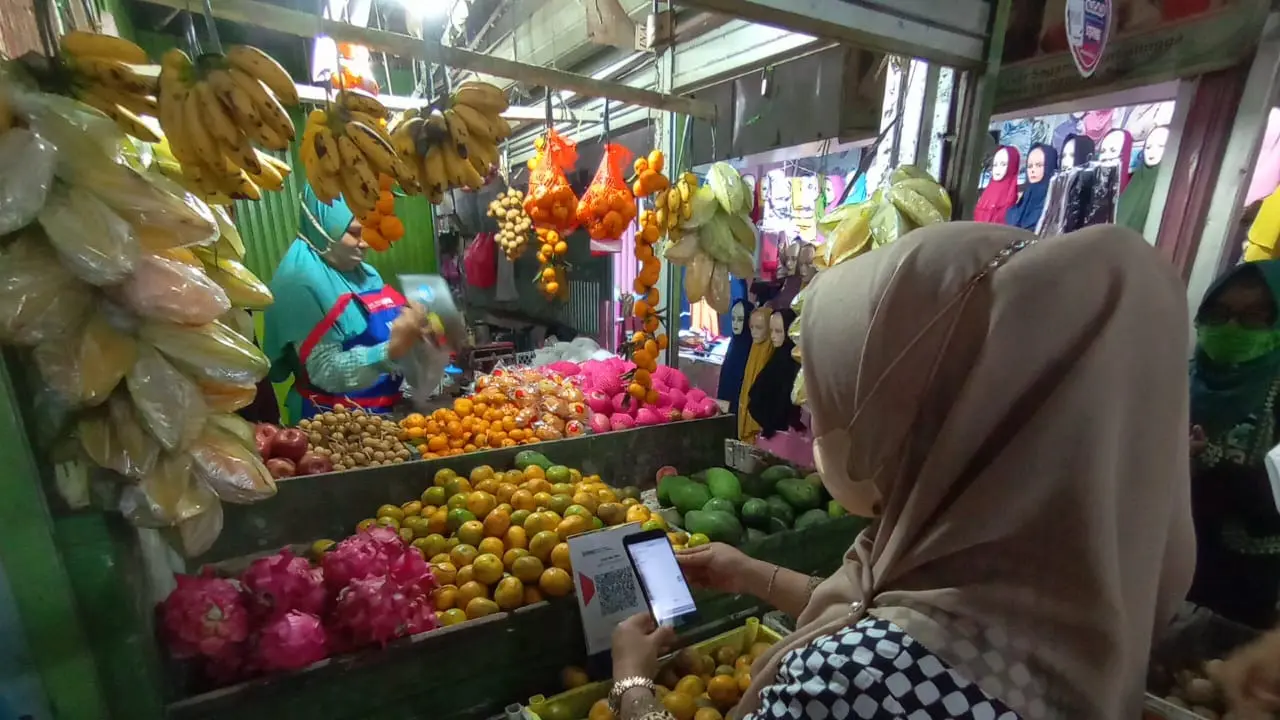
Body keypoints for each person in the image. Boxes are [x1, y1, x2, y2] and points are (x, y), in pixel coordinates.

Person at [609, 223, 1194, 720]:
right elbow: (911, 616)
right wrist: (752, 574)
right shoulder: (1084, 592)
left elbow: (891, 646)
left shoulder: (855, 681)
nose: (814, 419)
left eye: (837, 400)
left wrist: (632, 685)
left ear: (926, 417)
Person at [263, 189, 428, 421]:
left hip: (382, 414)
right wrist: (390, 350)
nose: (366, 243)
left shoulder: (365, 273)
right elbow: (325, 371)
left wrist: (415, 333)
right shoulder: (299, 283)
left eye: (368, 231)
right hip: (331, 421)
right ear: (322, 228)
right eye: (354, 233)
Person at [1187, 260, 1280, 629]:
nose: (1231, 327)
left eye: (1253, 316)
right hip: (1163, 555)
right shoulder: (1183, 376)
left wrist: (1211, 461)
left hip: (1242, 580)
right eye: (1220, 314)